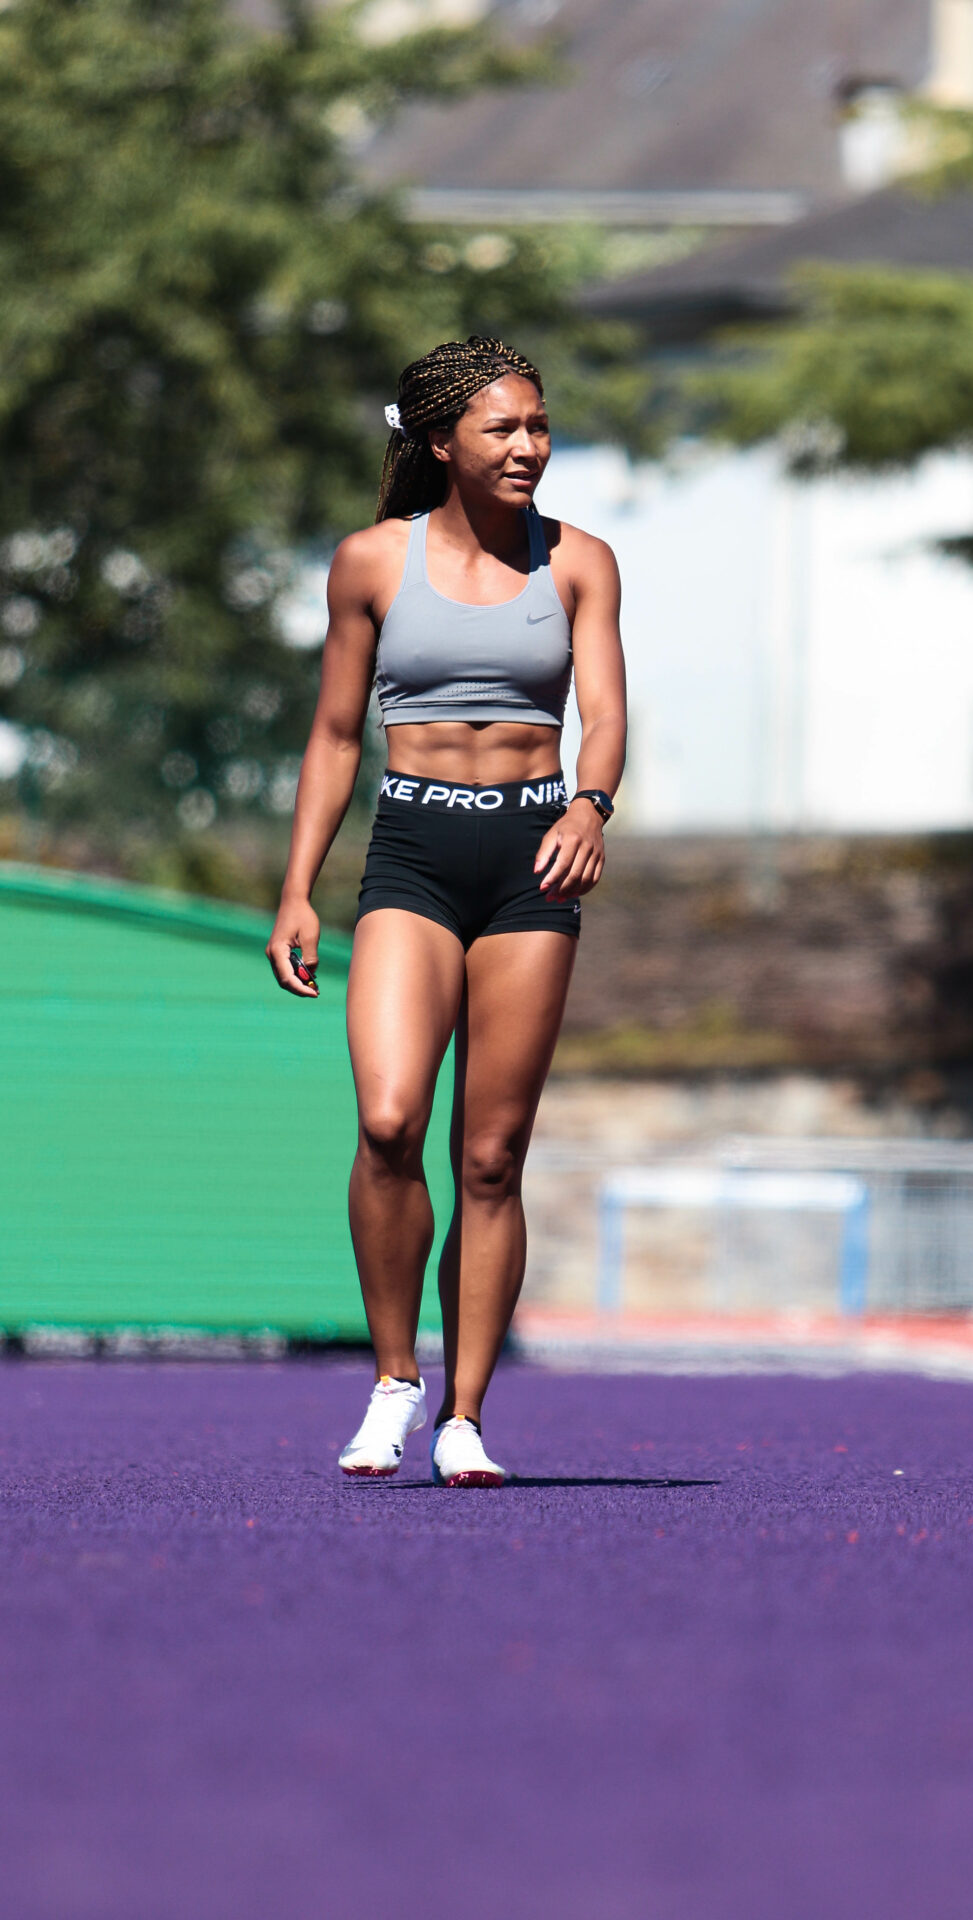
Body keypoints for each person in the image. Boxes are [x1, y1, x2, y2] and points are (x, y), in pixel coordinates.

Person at [265, 336, 626, 1487]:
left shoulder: (580, 563)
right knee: (385, 1122)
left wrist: (590, 805)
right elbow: (331, 737)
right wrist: (296, 889)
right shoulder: (372, 562)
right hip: (412, 854)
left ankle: (465, 1416)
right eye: (502, 429)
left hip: (530, 864)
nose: (528, 447)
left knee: (490, 1154)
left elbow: (606, 713)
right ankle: (392, 1384)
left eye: (537, 425)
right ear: (439, 443)